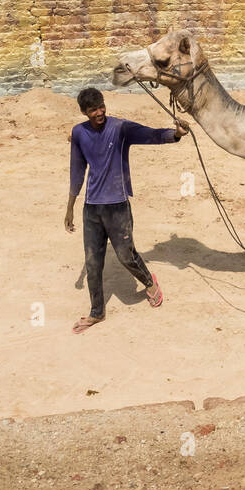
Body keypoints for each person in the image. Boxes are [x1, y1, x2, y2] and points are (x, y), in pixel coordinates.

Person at [65, 87, 188, 333]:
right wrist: (69, 208)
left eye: (101, 107)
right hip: (91, 209)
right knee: (92, 262)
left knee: (126, 255)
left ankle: (149, 282)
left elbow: (150, 135)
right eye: (93, 110)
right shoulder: (79, 133)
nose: (99, 113)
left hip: (118, 206)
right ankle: (96, 312)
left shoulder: (120, 128)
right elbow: (77, 171)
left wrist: (175, 134)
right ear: (84, 112)